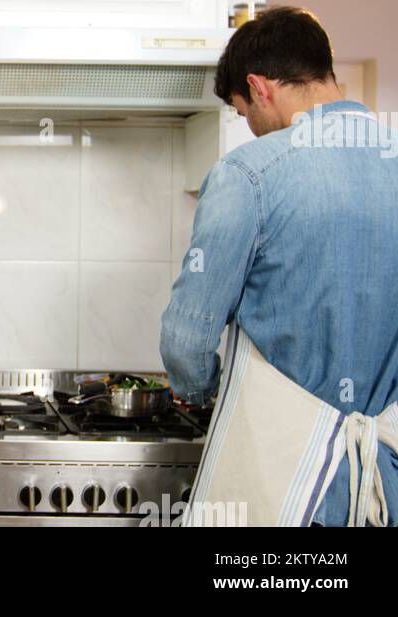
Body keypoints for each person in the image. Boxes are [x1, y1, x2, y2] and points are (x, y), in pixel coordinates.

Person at [161, 6, 398, 526]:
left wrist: (201, 394)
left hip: (286, 483)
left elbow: (186, 340)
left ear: (259, 87)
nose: (251, 130)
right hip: (386, 484)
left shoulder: (249, 174)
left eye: (245, 114)